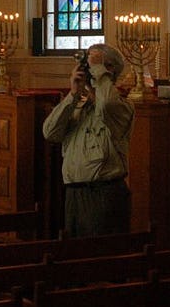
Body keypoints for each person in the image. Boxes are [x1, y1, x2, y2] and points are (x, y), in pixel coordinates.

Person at [42, 42, 135, 238]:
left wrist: (100, 72)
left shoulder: (122, 108)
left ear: (110, 70)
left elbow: (106, 104)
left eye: (94, 64)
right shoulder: (77, 107)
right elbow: (50, 132)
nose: (89, 69)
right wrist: (73, 94)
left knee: (101, 254)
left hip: (103, 194)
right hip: (74, 194)